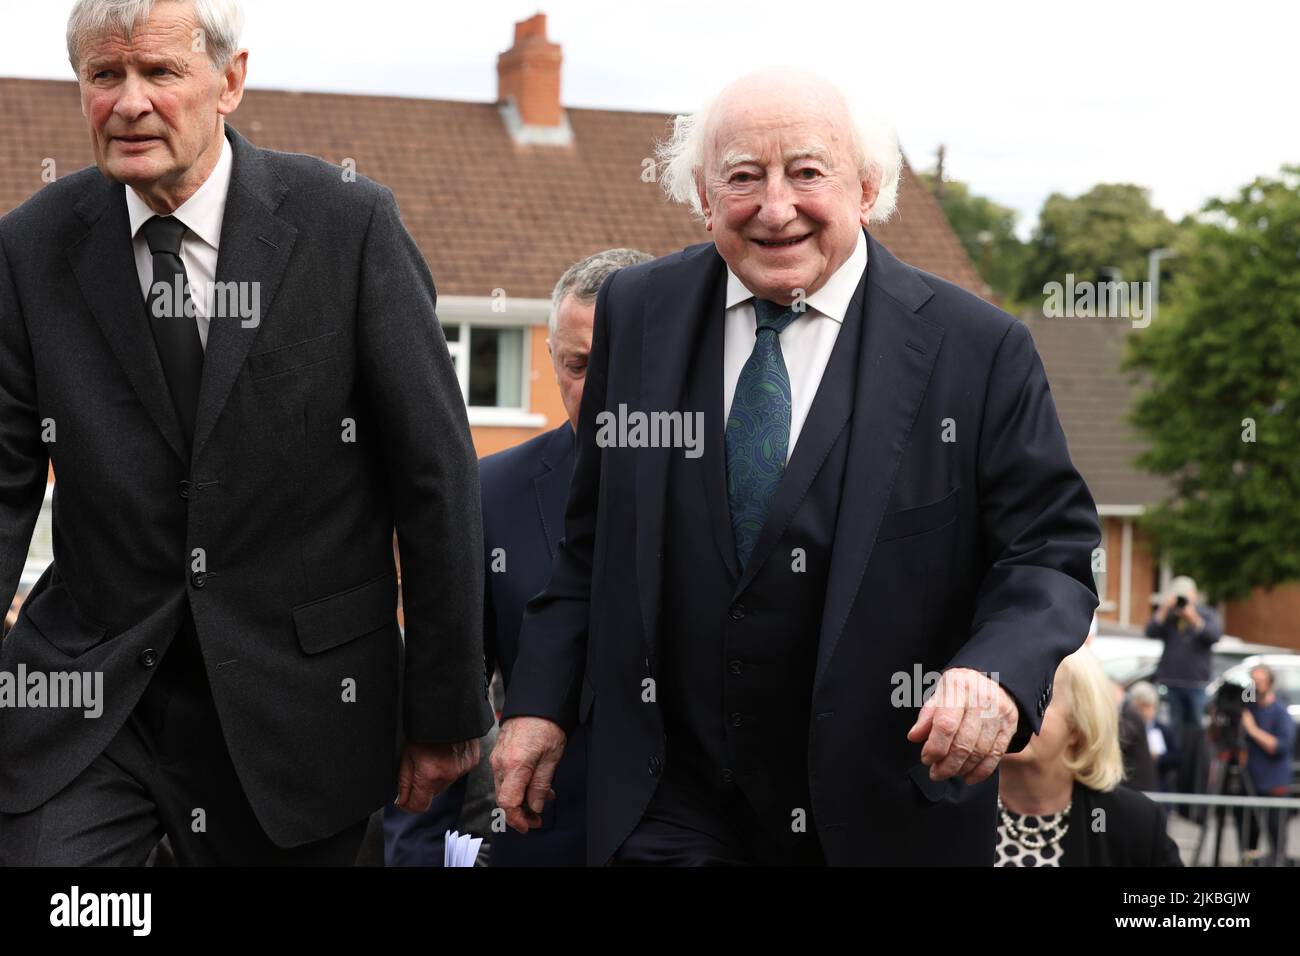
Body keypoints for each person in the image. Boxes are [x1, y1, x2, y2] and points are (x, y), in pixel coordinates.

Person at [491, 68, 1101, 866]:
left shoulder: (978, 351)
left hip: (883, 810)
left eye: (807, 172)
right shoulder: (638, 316)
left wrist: (995, 672)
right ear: (704, 199)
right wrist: (539, 705)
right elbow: (591, 543)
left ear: (868, 187)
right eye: (743, 177)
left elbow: (1051, 553)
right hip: (668, 805)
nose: (776, 208)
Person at [0, 0, 491, 864]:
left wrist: (446, 709)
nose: (128, 103)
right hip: (93, 700)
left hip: (300, 705)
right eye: (104, 76)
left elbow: (436, 476)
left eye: (159, 72)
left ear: (230, 81)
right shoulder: (29, 248)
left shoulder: (349, 225)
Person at [384, 248, 652, 866]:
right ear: (554, 363)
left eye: (619, 363)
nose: (601, 388)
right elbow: (444, 698)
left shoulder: (737, 484)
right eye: (579, 365)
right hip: (542, 844)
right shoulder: (488, 494)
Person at [997, 648, 1183, 866]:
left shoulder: (1130, 822)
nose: (1009, 709)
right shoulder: (954, 808)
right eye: (1003, 692)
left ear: (1079, 725)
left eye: (1036, 695)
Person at [1146, 576, 1222, 746]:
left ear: (1194, 596)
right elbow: (1150, 631)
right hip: (1171, 682)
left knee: (1197, 728)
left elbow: (1214, 635)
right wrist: (1164, 609)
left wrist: (1193, 618)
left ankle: (1194, 764)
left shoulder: (1207, 614)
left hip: (1197, 683)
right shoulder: (1170, 616)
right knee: (1173, 728)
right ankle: (1176, 763)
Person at [1233, 665, 1296, 865]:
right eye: (1252, 681)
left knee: (1276, 836)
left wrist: (1252, 729)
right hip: (1249, 781)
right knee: (1247, 835)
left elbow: (1280, 746)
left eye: (1258, 682)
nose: (1254, 687)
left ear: (1269, 684)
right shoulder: (1248, 708)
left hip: (1273, 785)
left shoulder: (1280, 712)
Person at [1121, 681, 1179, 792]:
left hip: (1159, 788)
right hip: (1133, 788)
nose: (1145, 712)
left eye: (1149, 706)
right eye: (1141, 707)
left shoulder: (1164, 730)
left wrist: (1159, 758)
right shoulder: (1127, 729)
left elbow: (1177, 758)